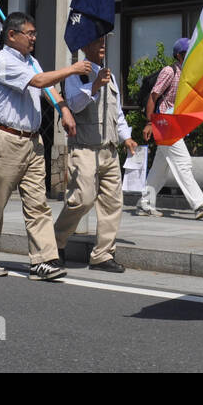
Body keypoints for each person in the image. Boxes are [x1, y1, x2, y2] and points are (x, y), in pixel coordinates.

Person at [0, 11, 89, 281]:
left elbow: (47, 89)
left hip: (33, 142)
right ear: (12, 35)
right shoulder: (2, 62)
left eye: (34, 33)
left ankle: (43, 261)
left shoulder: (30, 60)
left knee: (38, 204)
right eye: (30, 33)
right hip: (7, 140)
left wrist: (64, 110)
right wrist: (72, 69)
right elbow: (39, 81)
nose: (34, 38)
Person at [55, 34, 135, 273]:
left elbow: (116, 112)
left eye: (104, 41)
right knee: (82, 198)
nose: (102, 45)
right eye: (97, 41)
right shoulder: (75, 74)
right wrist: (95, 85)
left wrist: (127, 137)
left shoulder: (108, 75)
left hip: (109, 149)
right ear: (85, 45)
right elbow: (74, 104)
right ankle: (55, 241)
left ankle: (102, 255)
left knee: (113, 203)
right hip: (85, 147)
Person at [137, 38, 203, 219]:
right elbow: (153, 96)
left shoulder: (188, 73)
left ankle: (145, 203)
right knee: (183, 162)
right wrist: (150, 122)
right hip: (164, 123)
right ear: (179, 55)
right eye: (188, 53)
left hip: (175, 124)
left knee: (160, 168)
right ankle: (198, 204)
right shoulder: (169, 71)